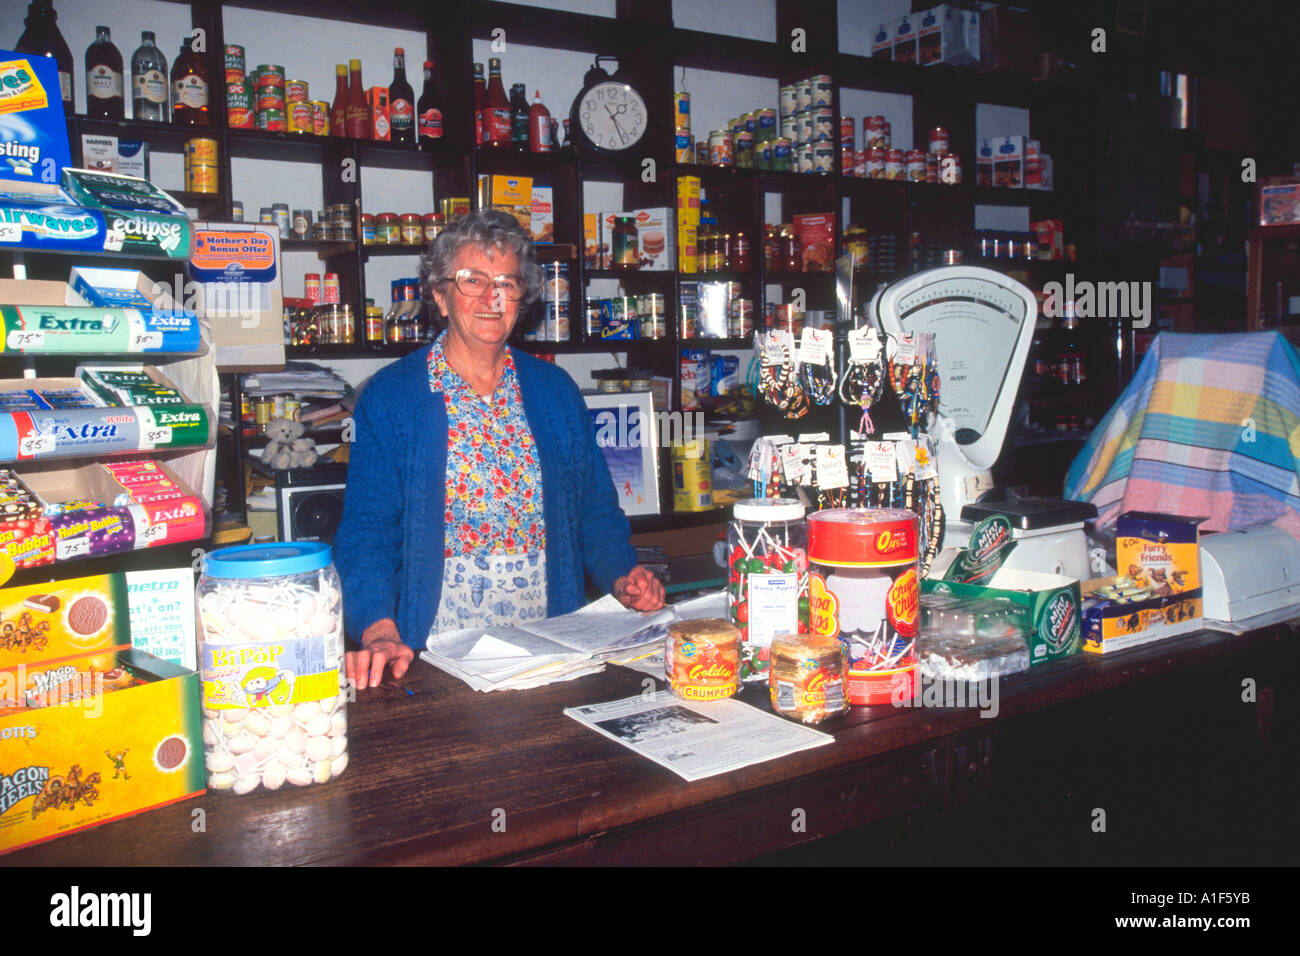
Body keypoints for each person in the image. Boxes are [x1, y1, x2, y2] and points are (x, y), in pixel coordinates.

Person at [336, 209, 665, 689]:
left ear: (520, 298)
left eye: (507, 283)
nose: (492, 298)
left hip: (552, 649)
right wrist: (379, 630)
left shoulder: (555, 391)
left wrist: (623, 576)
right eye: (473, 280)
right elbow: (367, 531)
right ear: (440, 296)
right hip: (436, 655)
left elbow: (594, 511)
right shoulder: (392, 397)